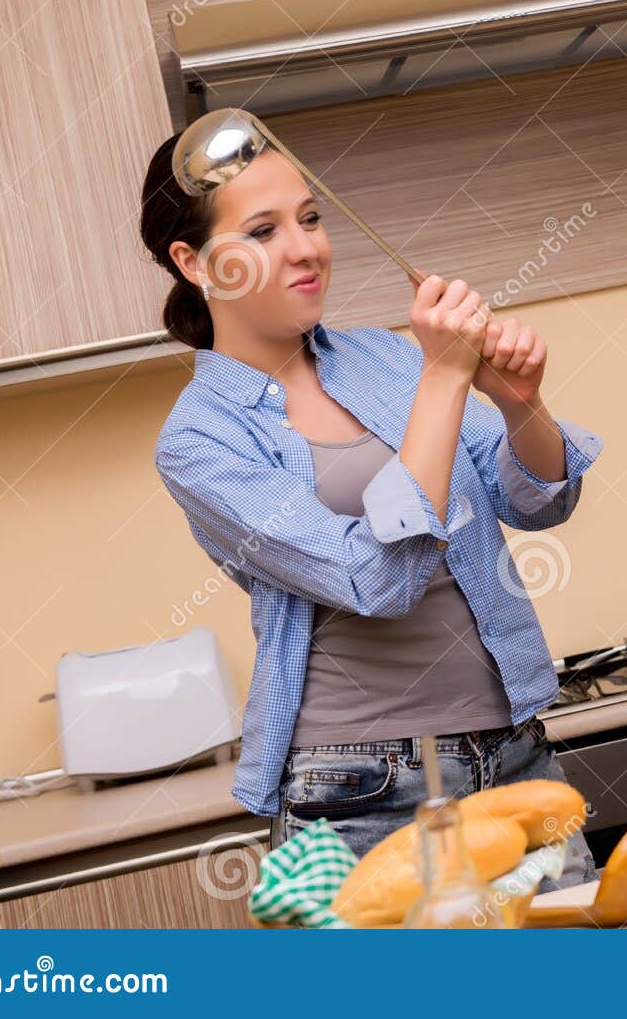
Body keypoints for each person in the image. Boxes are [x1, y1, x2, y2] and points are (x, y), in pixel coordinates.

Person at [142, 134, 599, 884]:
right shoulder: (199, 440)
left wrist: (522, 407)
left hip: (518, 753)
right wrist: (447, 380)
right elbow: (377, 580)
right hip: (360, 792)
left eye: (311, 218)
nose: (305, 249)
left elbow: (537, 501)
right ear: (193, 264)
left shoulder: (388, 359)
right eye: (263, 232)